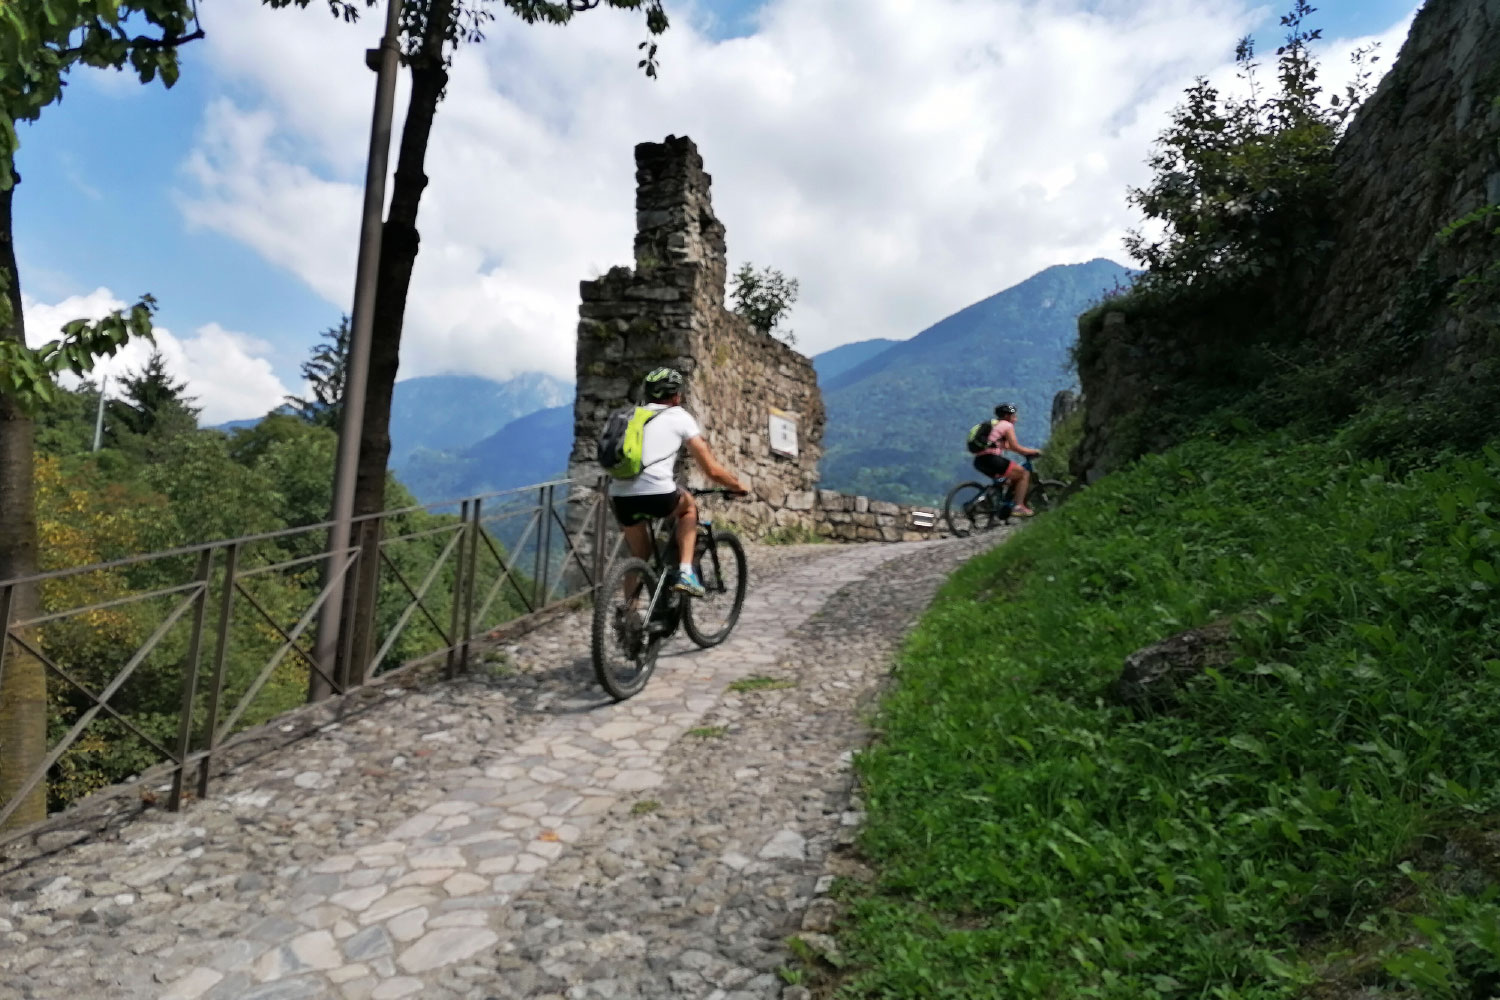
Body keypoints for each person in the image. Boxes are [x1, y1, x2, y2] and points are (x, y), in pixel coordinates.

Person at [609, 367, 750, 597]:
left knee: (639, 555)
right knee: (688, 508)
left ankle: (628, 617)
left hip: (620, 495)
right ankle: (686, 572)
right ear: (676, 396)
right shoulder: (680, 417)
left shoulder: (632, 416)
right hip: (658, 495)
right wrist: (736, 485)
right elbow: (712, 470)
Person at [973, 402, 1041, 517]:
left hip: (980, 460)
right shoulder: (1006, 425)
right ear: (1006, 416)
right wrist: (1033, 452)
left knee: (1008, 480)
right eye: (1014, 416)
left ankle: (995, 505)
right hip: (992, 459)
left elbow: (1007, 447)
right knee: (1023, 473)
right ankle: (1018, 506)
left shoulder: (995, 427)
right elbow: (1015, 446)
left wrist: (1025, 451)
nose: (1016, 419)